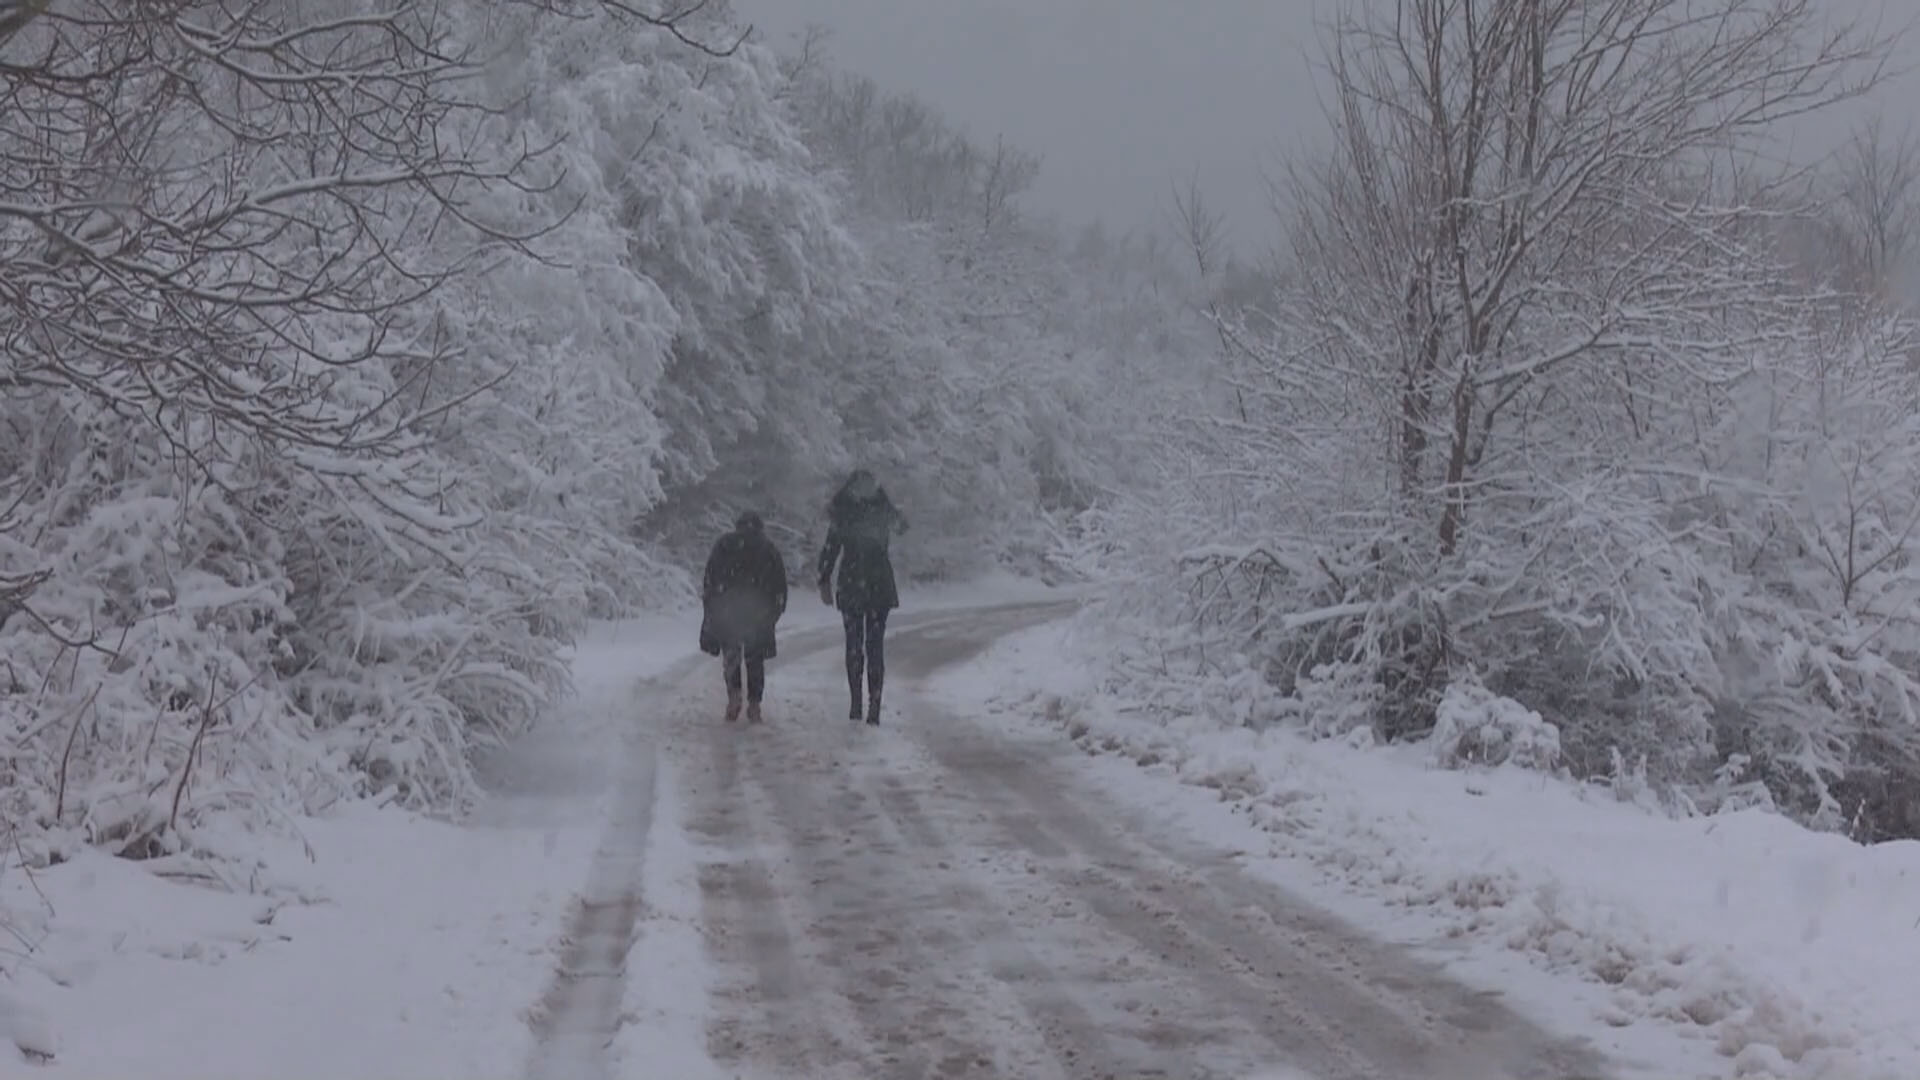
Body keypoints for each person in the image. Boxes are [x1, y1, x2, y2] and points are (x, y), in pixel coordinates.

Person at [816, 469, 907, 725]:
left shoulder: (844, 512)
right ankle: (874, 704)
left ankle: (856, 702)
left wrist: (824, 579)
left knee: (853, 644)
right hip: (880, 584)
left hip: (851, 583)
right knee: (875, 645)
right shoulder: (882, 508)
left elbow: (831, 548)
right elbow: (903, 526)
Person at [699, 511, 789, 723]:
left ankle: (734, 695)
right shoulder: (769, 549)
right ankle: (755, 704)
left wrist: (713, 605)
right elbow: (780, 586)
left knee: (731, 656)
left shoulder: (723, 545)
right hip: (758, 613)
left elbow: (710, 579)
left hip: (729, 610)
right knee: (755, 659)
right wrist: (774, 612)